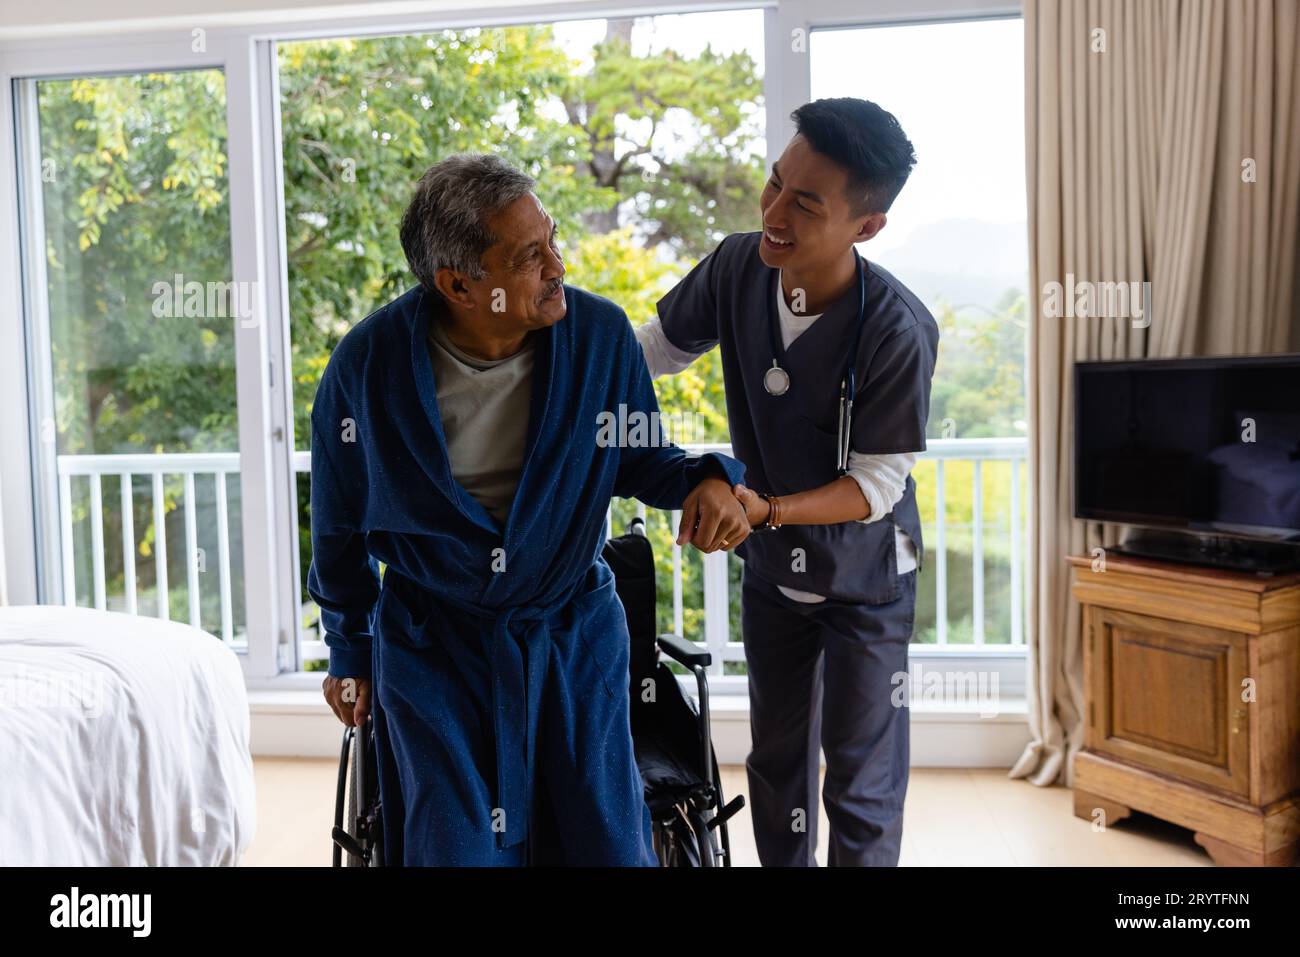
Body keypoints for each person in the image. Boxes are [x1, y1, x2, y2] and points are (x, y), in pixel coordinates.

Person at [310, 153, 752, 865]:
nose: (558, 265)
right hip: (434, 644)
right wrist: (348, 647)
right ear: (459, 283)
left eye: (552, 240)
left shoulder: (601, 339)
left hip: (570, 632)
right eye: (529, 255)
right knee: (454, 848)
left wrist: (706, 479)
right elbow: (338, 527)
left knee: (604, 841)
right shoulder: (368, 366)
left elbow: (640, 457)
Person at [637, 97, 939, 866]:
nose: (773, 211)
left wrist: (763, 508)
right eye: (775, 184)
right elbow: (654, 350)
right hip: (777, 579)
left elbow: (874, 485)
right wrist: (555, 373)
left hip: (866, 581)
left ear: (864, 227)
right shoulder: (740, 265)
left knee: (861, 785)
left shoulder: (896, 329)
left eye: (804, 203)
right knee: (774, 767)